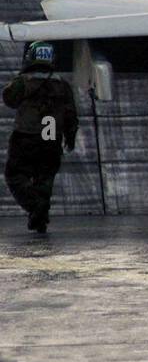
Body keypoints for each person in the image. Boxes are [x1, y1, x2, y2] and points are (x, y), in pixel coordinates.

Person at [3, 41, 79, 233]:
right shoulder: (62, 85)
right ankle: (39, 217)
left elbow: (9, 100)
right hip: (51, 136)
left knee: (15, 176)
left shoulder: (23, 82)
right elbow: (71, 114)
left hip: (26, 135)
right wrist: (70, 136)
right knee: (45, 178)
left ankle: (35, 207)